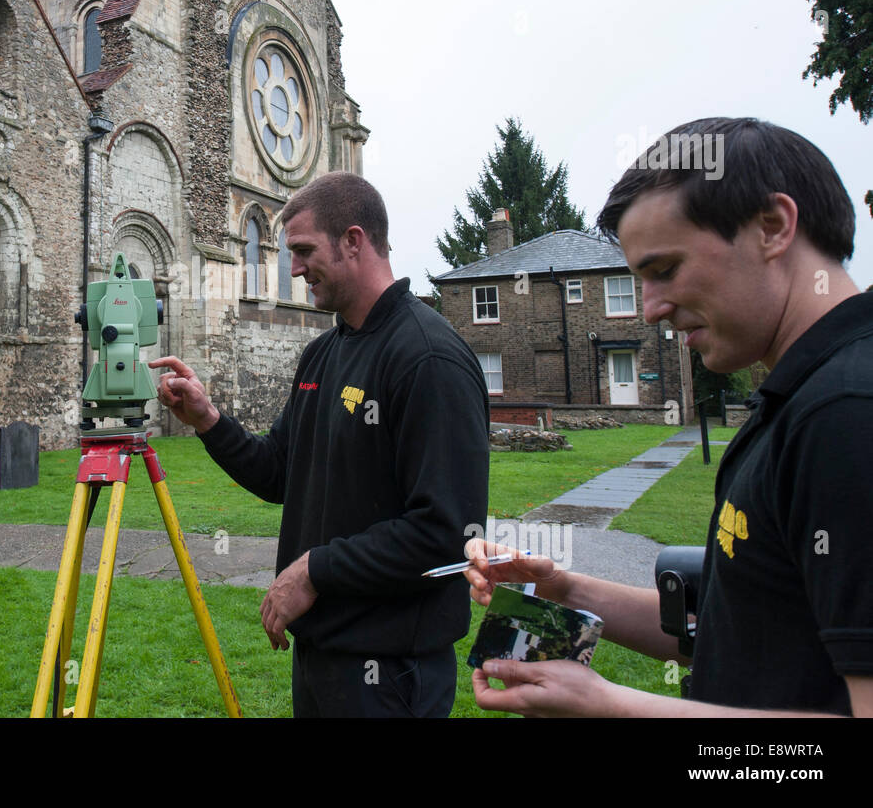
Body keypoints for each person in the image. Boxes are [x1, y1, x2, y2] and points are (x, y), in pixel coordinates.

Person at [465, 117, 873, 717]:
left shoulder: (847, 416)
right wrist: (565, 588)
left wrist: (612, 706)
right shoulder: (797, 400)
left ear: (773, 227)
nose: (651, 309)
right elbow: (740, 633)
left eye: (664, 271)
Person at [150, 173, 489, 717]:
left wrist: (314, 570)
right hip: (320, 658)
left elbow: (446, 532)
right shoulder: (323, 355)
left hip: (391, 675)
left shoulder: (428, 359)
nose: (295, 267)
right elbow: (280, 472)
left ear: (354, 241)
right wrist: (207, 419)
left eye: (304, 251)